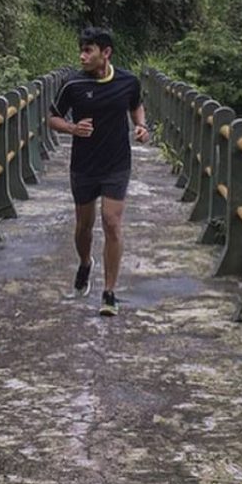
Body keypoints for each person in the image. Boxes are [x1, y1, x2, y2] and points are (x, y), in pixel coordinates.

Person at [47, 26, 148, 316]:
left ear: (106, 53)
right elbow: (52, 118)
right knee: (84, 227)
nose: (82, 56)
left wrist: (141, 126)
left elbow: (136, 106)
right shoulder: (73, 84)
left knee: (112, 223)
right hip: (84, 165)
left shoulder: (128, 81)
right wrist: (72, 128)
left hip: (117, 164)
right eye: (81, 50)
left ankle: (109, 292)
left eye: (88, 51)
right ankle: (85, 262)